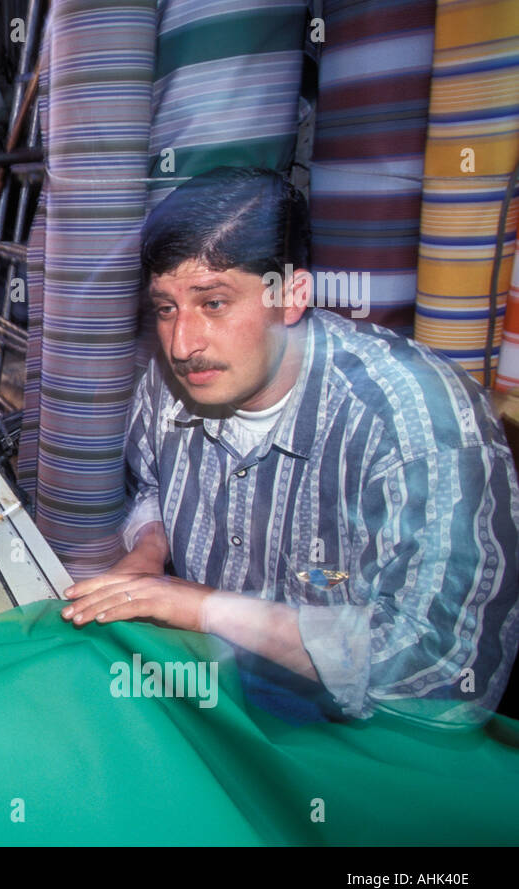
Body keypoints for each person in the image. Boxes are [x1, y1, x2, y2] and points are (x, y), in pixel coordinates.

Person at [61, 167, 519, 726]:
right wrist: (149, 551)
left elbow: (441, 669)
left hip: (369, 750)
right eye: (165, 308)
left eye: (213, 304)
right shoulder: (172, 380)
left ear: (293, 295)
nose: (183, 344)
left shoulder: (416, 422)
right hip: (227, 706)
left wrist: (206, 608)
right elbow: (153, 486)